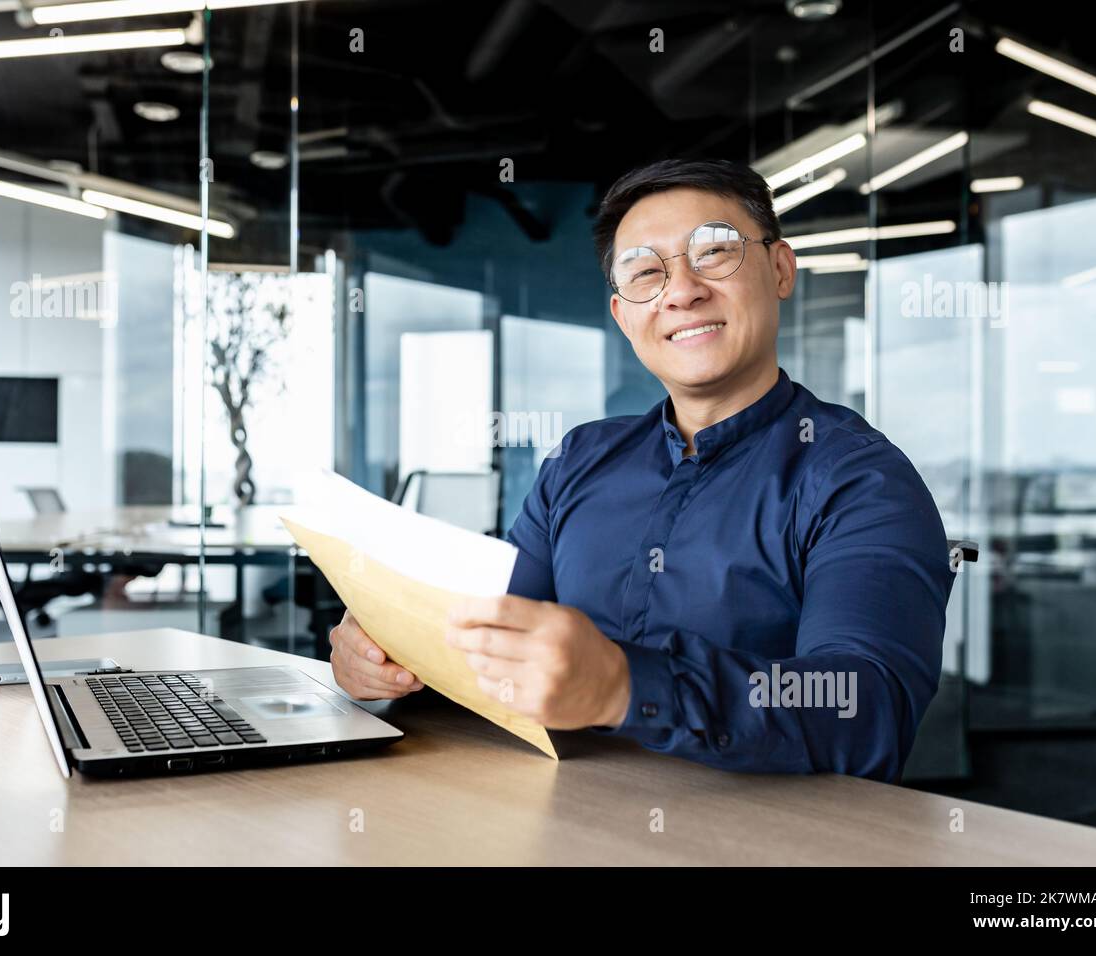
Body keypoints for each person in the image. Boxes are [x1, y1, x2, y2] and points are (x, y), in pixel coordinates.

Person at [329, 158, 955, 781]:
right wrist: (387, 651)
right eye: (645, 273)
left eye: (713, 254)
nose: (681, 291)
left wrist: (627, 686)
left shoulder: (861, 480)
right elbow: (493, 641)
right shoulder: (579, 461)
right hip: (562, 822)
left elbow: (865, 705)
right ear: (624, 315)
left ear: (780, 269)